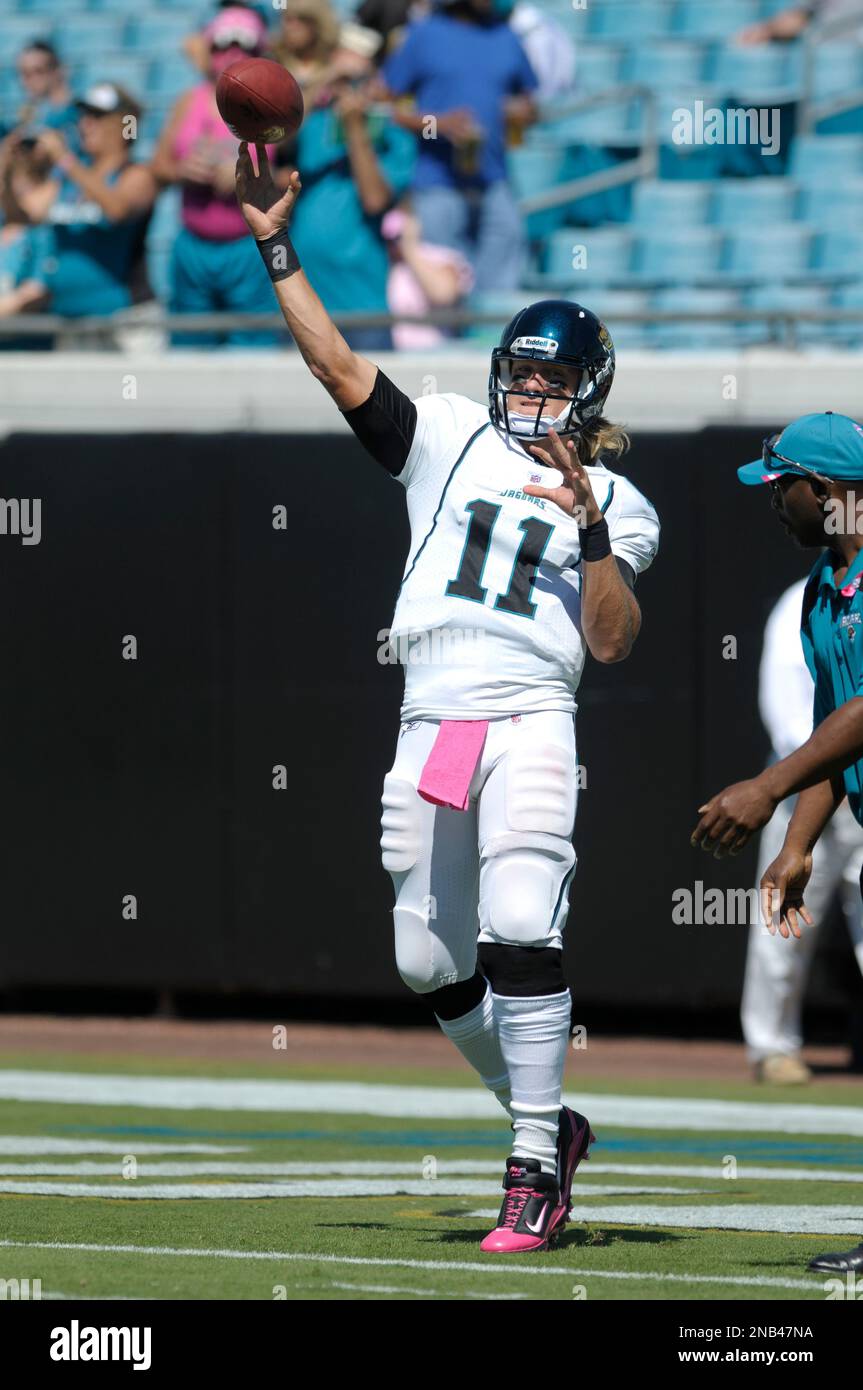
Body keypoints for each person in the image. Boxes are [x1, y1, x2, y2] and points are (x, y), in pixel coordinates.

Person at [234, 140, 660, 1253]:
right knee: (425, 958)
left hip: (527, 712)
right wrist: (275, 241)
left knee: (521, 919)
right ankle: (549, 1123)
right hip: (431, 715)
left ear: (585, 393)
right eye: (517, 371)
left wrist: (591, 529)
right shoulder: (447, 436)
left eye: (548, 380)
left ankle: (528, 1165)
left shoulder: (617, 495)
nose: (526, 391)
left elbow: (611, 641)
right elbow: (336, 367)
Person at [690, 411, 863, 1275]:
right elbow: (836, 732)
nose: (773, 505)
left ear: (827, 494)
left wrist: (764, 789)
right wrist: (796, 845)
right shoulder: (818, 593)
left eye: (781, 488)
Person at [742, 578, 863, 1084]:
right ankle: (772, 1046)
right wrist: (792, 783)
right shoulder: (805, 598)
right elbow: (787, 705)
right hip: (808, 788)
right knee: (782, 921)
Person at [380, 0, 538, 294]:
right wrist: (435, 125)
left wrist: (523, 112)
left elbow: (530, 104)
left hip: (495, 182)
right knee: (444, 299)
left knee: (499, 295)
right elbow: (384, 106)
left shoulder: (507, 35)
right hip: (435, 186)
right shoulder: (424, 34)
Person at [151, 6, 278, 347]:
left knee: (254, 352)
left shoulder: (273, 103)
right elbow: (158, 167)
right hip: (194, 247)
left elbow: (293, 177)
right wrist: (183, 171)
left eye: (244, 48)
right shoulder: (188, 101)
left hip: (249, 249)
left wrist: (243, 179)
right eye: (222, 46)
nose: (232, 56)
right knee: (190, 348)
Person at [25, 84, 157, 327]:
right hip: (67, 319)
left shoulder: (137, 175)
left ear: (125, 124)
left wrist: (66, 159)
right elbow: (30, 212)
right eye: (83, 116)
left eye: (97, 116)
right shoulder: (70, 175)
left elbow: (117, 209)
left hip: (122, 321)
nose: (85, 124)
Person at [381, 204, 473, 349]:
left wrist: (409, 248)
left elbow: (443, 294)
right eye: (389, 239)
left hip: (439, 352)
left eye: (398, 236)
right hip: (397, 355)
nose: (394, 244)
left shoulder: (439, 257)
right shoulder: (385, 265)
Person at [9, 41, 78, 146]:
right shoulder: (30, 113)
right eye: (23, 73)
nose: (26, 81)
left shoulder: (77, 115)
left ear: (57, 71)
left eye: (38, 71)